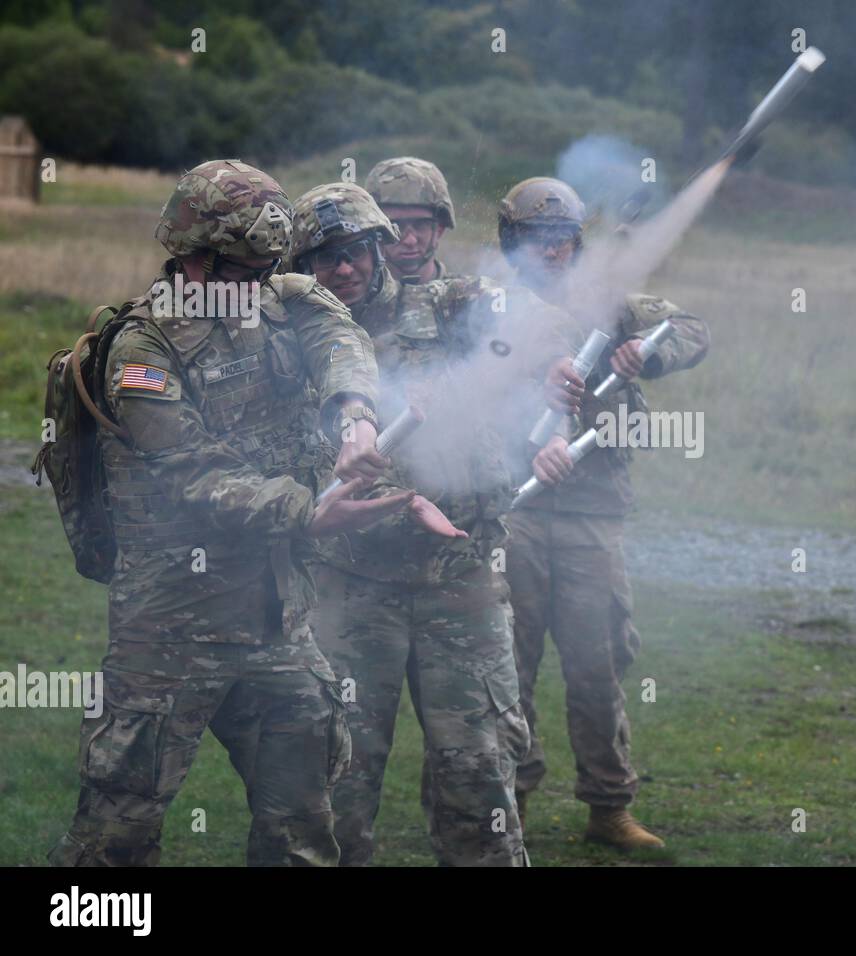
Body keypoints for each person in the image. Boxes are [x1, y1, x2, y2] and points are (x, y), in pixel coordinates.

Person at [48, 160, 428, 867]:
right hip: (170, 627)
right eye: (241, 272)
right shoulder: (142, 347)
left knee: (303, 825)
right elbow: (190, 476)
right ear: (193, 258)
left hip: (274, 620)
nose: (255, 288)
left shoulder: (282, 298)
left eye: (263, 270)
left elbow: (342, 340)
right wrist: (308, 512)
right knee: (117, 830)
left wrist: (356, 420)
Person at [291, 181, 582, 865]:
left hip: (461, 575)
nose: (344, 268)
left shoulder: (446, 302)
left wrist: (555, 382)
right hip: (352, 585)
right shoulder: (290, 339)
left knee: (480, 768)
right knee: (335, 772)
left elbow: (536, 321)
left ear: (378, 250)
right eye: (324, 256)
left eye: (357, 251)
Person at [498, 177, 710, 849]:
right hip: (513, 509)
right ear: (513, 243)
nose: (552, 253)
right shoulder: (487, 305)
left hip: (591, 512)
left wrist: (644, 354)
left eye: (562, 240)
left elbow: (692, 329)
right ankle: (512, 800)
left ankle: (609, 807)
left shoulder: (609, 300)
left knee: (597, 662)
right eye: (538, 240)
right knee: (509, 665)